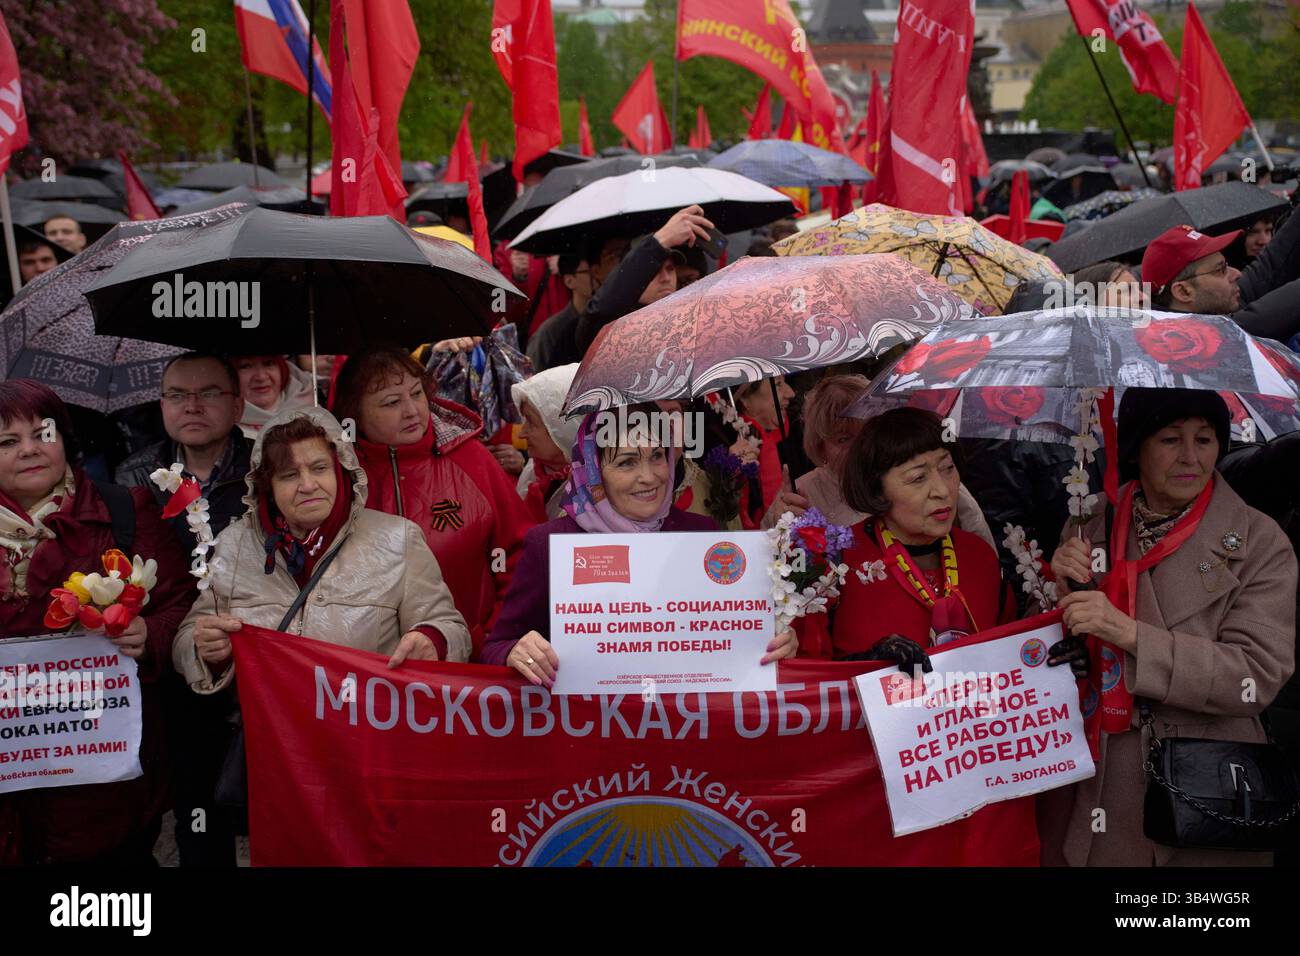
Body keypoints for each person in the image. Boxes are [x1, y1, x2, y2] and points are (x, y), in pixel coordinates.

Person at [1041, 388, 1296, 866]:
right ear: (1136, 447)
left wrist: (1133, 635)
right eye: (1170, 439)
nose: (1190, 458)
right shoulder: (1091, 519)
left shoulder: (1260, 541)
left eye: (1204, 440)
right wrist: (1060, 588)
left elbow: (1255, 676)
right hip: (1100, 777)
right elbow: (1069, 650)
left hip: (1206, 778)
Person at [794, 406, 1040, 865]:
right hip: (876, 794)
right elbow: (806, 677)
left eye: (947, 469)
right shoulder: (837, 562)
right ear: (877, 489)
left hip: (976, 786)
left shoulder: (979, 557)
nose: (941, 490)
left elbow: (1008, 659)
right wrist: (865, 661)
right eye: (916, 477)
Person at [0, 381, 192, 865]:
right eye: (7, 441)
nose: (30, 450)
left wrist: (150, 635)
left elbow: (184, 609)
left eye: (43, 433)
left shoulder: (123, 510)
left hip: (104, 785)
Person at [173, 405, 472, 698]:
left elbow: (452, 629)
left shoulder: (399, 539)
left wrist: (434, 640)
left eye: (319, 468)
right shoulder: (233, 545)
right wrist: (206, 649)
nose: (307, 485)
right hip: (272, 739)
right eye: (289, 475)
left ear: (342, 472)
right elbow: (187, 639)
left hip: (365, 735)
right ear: (268, 487)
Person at [481, 405, 798, 680]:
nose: (649, 476)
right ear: (594, 471)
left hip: (683, 730)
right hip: (591, 734)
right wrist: (515, 651)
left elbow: (735, 642)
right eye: (627, 462)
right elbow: (495, 647)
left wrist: (773, 641)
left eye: (657, 456)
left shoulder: (701, 535)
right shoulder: (551, 543)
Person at [113, 352, 253, 867]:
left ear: (238, 403)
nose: (192, 406)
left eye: (209, 393)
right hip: (170, 664)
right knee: (195, 809)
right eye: (177, 394)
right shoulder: (134, 475)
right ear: (161, 404)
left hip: (255, 656)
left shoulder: (266, 466)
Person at [331, 344, 534, 656]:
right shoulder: (337, 476)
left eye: (416, 393)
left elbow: (520, 555)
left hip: (467, 663)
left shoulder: (471, 458)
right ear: (354, 413)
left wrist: (494, 636)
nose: (412, 410)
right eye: (391, 403)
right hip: (368, 673)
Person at [763, 375, 995, 549]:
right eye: (843, 438)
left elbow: (979, 539)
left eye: (868, 432)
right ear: (819, 446)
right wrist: (779, 526)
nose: (860, 447)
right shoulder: (802, 493)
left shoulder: (924, 472)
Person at [573, 205, 716, 358]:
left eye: (670, 269)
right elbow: (600, 313)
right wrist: (659, 242)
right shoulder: (613, 330)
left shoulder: (689, 323)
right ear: (635, 277)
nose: (666, 278)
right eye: (654, 271)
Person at [1144, 216, 1300, 341]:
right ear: (1184, 291)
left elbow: (1272, 265)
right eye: (1221, 269)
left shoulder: (1216, 304)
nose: (1237, 274)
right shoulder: (1206, 344)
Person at [511, 363, 581, 522]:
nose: (522, 433)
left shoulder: (596, 492)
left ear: (565, 428)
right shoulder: (534, 471)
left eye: (531, 422)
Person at [526, 252, 593, 371]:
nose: (597, 276)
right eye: (589, 272)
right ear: (569, 281)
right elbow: (534, 380)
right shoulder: (550, 333)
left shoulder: (612, 319)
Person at [230, 355, 318, 438]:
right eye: (246, 366)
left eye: (268, 364)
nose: (261, 377)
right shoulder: (223, 428)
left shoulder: (315, 415)